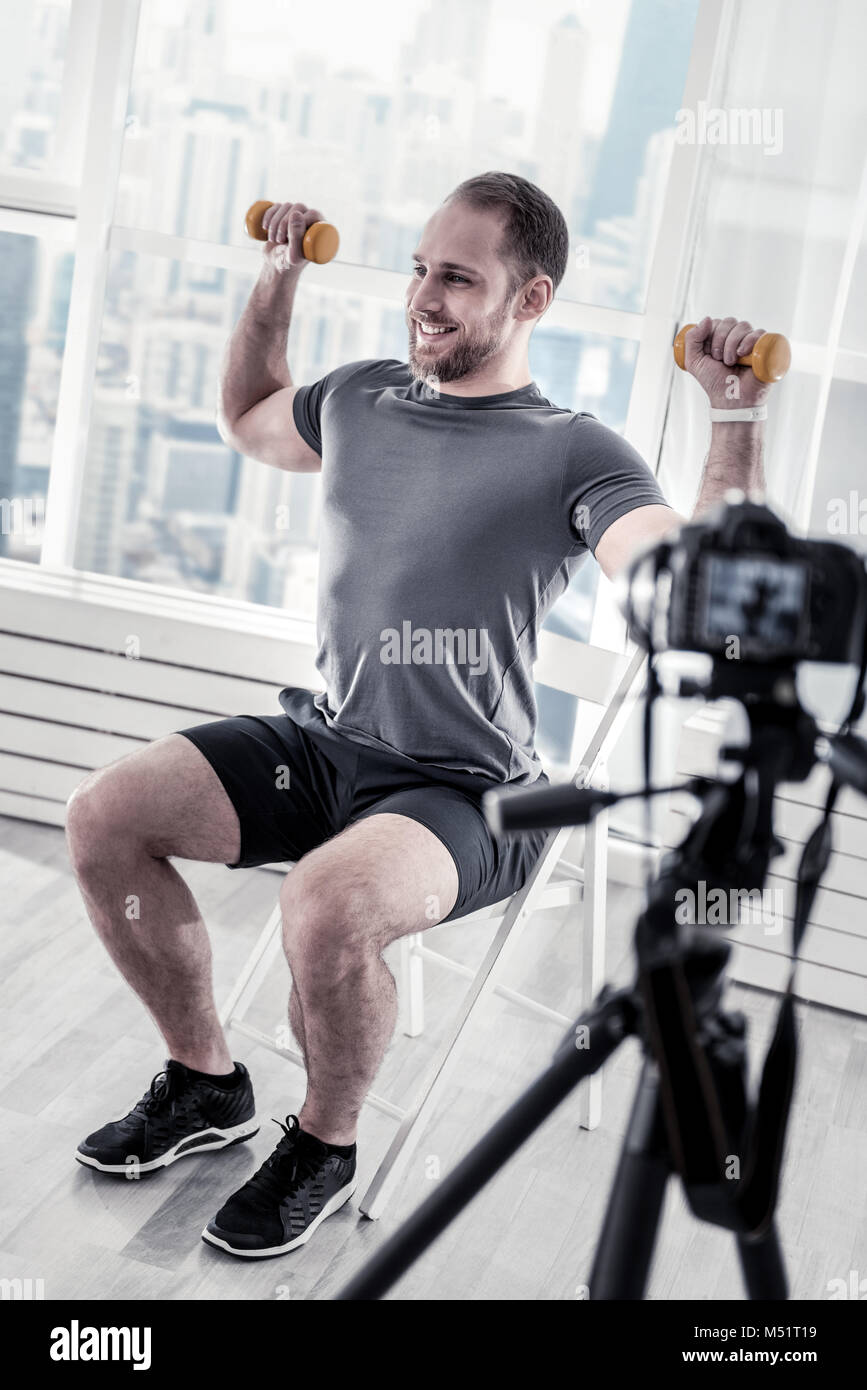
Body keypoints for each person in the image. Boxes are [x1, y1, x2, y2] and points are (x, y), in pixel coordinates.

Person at [65, 171, 773, 1258]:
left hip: (472, 795)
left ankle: (326, 1139)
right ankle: (207, 1080)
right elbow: (252, 417)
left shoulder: (574, 450)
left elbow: (692, 598)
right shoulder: (359, 397)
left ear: (531, 300)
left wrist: (733, 415)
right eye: (418, 269)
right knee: (103, 817)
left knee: (324, 904)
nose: (424, 299)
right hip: (325, 741)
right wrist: (277, 275)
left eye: (458, 278)